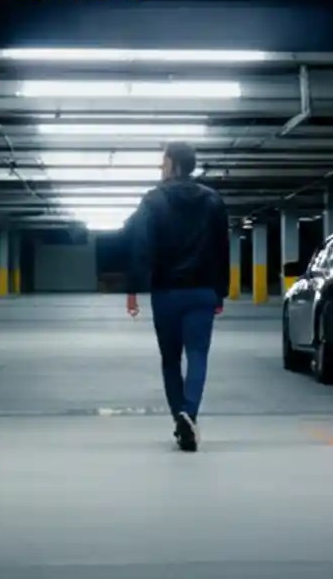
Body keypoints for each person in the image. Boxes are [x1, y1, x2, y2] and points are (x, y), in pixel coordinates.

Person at [125, 141, 230, 452]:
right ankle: (190, 412)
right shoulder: (213, 200)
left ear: (171, 163)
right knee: (198, 355)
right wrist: (220, 292)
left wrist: (133, 289)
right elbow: (222, 249)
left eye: (163, 161)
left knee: (171, 359)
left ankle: (179, 418)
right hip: (202, 291)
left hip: (167, 292)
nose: (161, 166)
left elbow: (141, 247)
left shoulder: (153, 200)